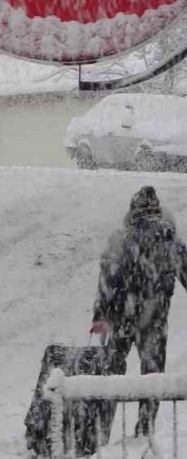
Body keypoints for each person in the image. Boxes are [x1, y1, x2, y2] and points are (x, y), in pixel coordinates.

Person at [91, 185, 187, 436]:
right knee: (153, 375)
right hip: (154, 321)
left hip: (122, 318)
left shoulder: (120, 239)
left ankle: (100, 427)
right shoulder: (172, 243)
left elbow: (107, 282)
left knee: (110, 373)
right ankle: (145, 426)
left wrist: (101, 317)